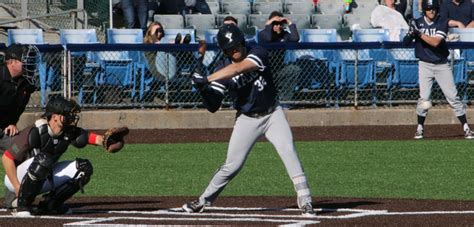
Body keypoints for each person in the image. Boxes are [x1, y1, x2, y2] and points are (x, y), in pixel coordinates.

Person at [182, 24, 316, 216]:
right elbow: (213, 106)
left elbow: (239, 68)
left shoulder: (257, 51)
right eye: (229, 49)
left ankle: (306, 201)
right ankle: (203, 200)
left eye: (236, 46)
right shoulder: (221, 69)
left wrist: (207, 78)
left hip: (272, 114)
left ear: (242, 42)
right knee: (232, 165)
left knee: (289, 152)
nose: (234, 51)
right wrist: (202, 89)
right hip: (247, 119)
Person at [2, 96, 129, 216]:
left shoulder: (68, 131)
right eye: (67, 114)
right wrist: (18, 187)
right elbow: (7, 158)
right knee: (43, 160)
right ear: (55, 117)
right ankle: (23, 205)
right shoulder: (36, 131)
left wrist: (109, 141)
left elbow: (93, 138)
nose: (71, 117)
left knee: (84, 168)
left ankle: (51, 204)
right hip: (18, 178)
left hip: (45, 173)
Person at [403, 0, 474, 139]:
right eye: (429, 9)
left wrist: (418, 33)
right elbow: (405, 43)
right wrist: (410, 33)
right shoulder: (417, 23)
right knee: (424, 98)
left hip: (441, 65)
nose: (432, 11)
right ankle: (419, 128)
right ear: (424, 10)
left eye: (434, 9)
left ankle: (466, 127)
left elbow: (435, 42)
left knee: (453, 97)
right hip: (424, 64)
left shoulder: (442, 21)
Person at [0, 44, 39, 152]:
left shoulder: (26, 83)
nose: (29, 64)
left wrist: (11, 123)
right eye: (25, 61)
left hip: (4, 129)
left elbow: (18, 107)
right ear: (12, 62)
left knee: (24, 150)